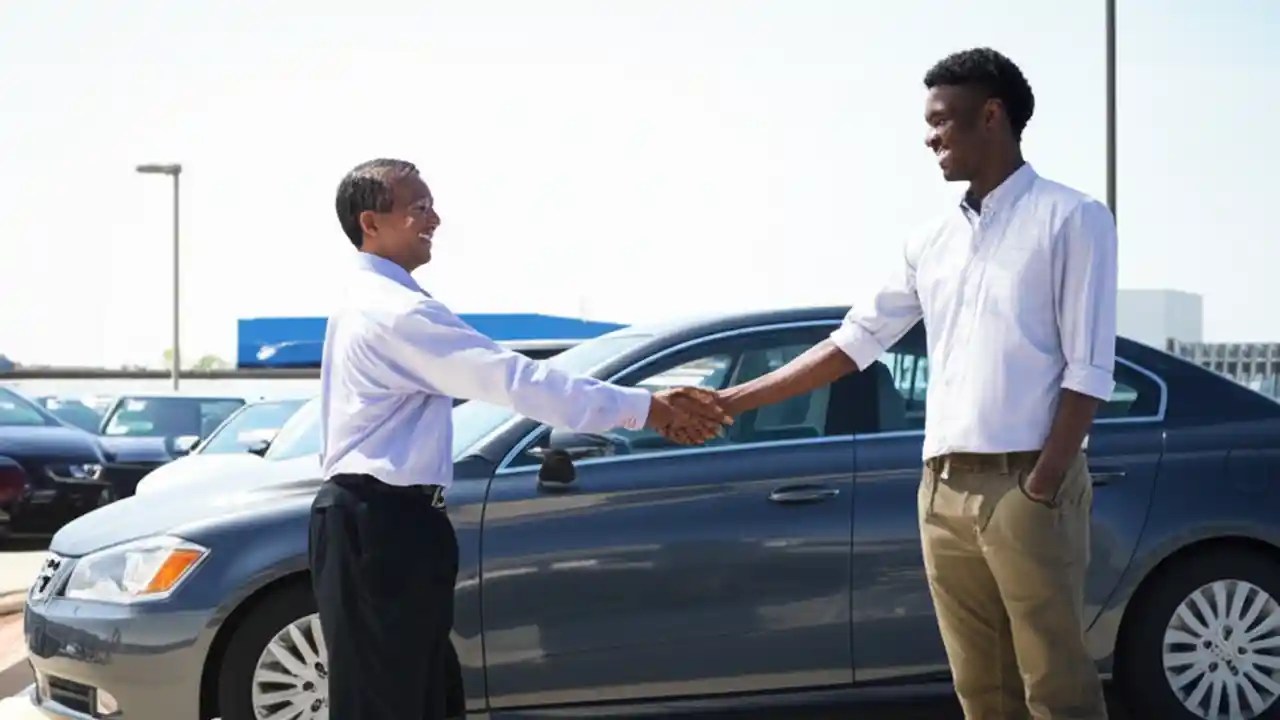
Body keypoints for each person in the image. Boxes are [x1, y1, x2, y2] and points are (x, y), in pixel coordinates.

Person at [706, 48, 1116, 719]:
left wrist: (1042, 485)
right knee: (981, 692)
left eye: (941, 122)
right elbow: (853, 342)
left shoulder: (1072, 219)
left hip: (1026, 485)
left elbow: (1088, 370)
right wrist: (731, 401)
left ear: (991, 116)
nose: (930, 138)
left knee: (1055, 687)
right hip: (941, 492)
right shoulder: (929, 241)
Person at [308, 157, 731, 719]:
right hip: (381, 526)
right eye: (419, 207)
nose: (435, 217)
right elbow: (516, 381)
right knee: (392, 704)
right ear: (371, 222)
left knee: (418, 698)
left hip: (392, 525)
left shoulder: (373, 302)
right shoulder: (395, 313)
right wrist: (649, 408)